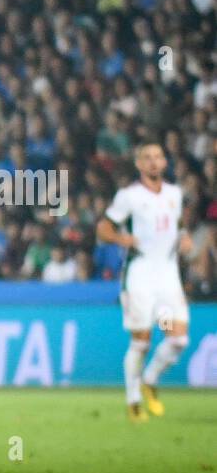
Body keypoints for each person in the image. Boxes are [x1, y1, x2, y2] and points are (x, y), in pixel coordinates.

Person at [96, 142, 191, 423]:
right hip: (140, 277)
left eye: (158, 157)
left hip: (168, 276)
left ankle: (149, 379)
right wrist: (120, 238)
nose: (153, 162)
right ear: (138, 164)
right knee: (142, 342)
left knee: (178, 339)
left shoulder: (175, 193)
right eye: (147, 158)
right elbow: (103, 227)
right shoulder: (129, 196)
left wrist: (184, 238)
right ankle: (133, 399)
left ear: (164, 163)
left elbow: (179, 225)